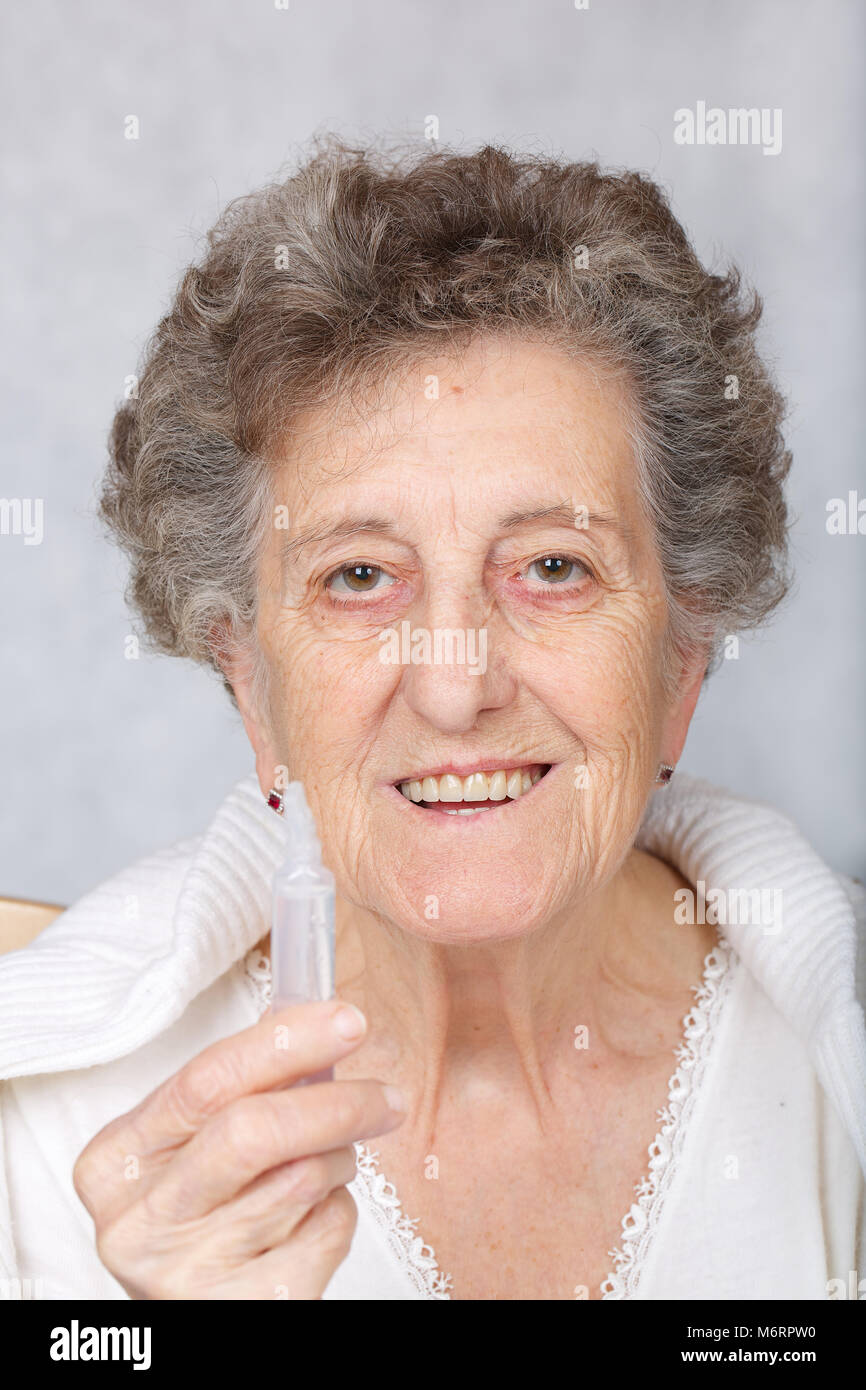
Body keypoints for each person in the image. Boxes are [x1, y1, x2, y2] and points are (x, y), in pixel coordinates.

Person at [1, 139, 863, 1301]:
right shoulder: (45, 1139)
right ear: (253, 685)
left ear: (680, 662)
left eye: (552, 566)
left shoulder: (831, 1086)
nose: (455, 685)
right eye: (358, 577)